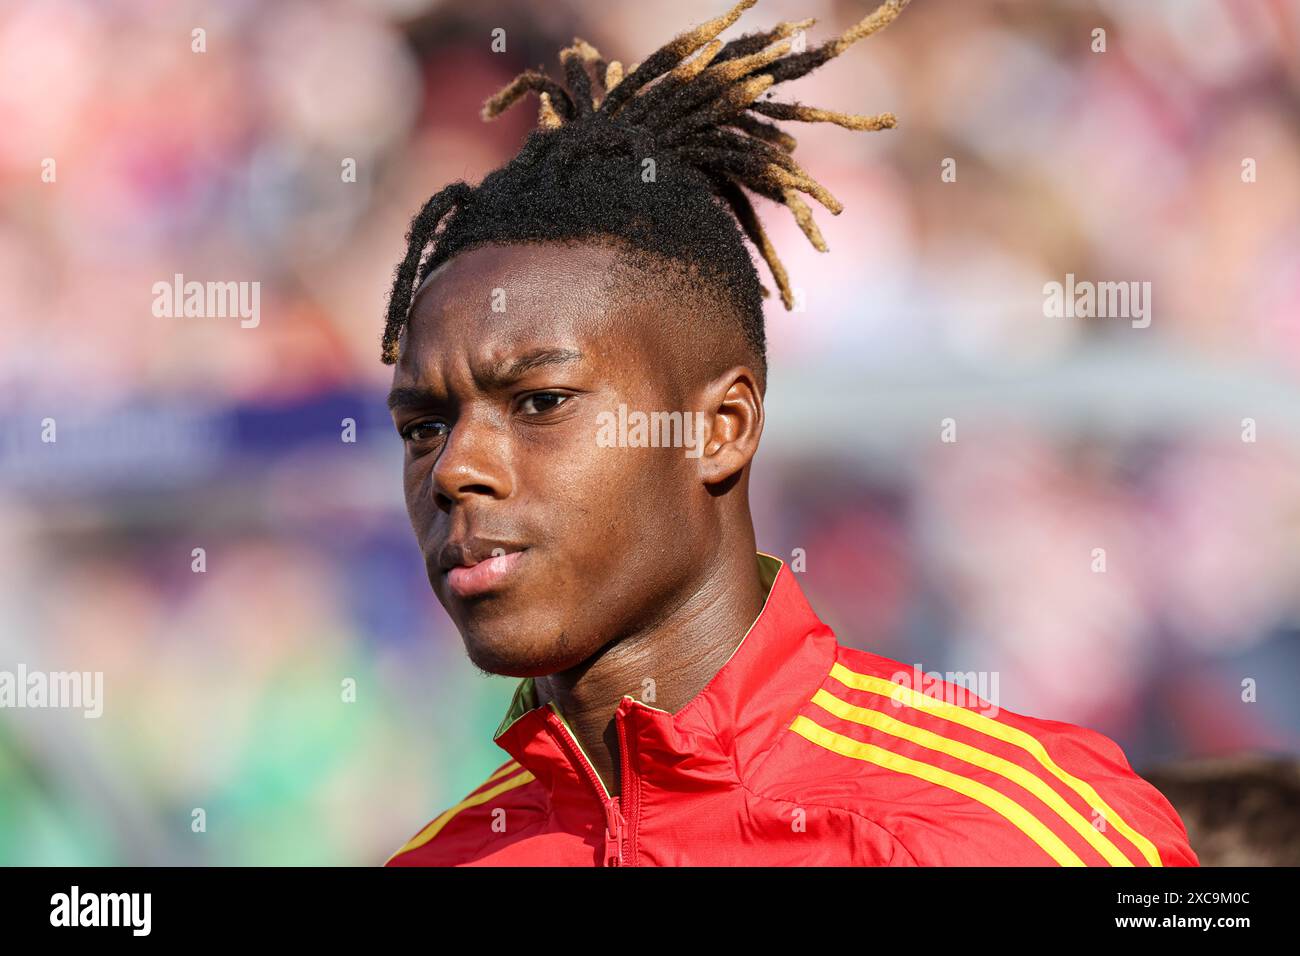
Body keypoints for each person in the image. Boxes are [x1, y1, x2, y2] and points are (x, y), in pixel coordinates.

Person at [380, 0, 1197, 866]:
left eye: (541, 402)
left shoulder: (1005, 829)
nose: (456, 469)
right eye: (424, 426)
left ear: (720, 428)